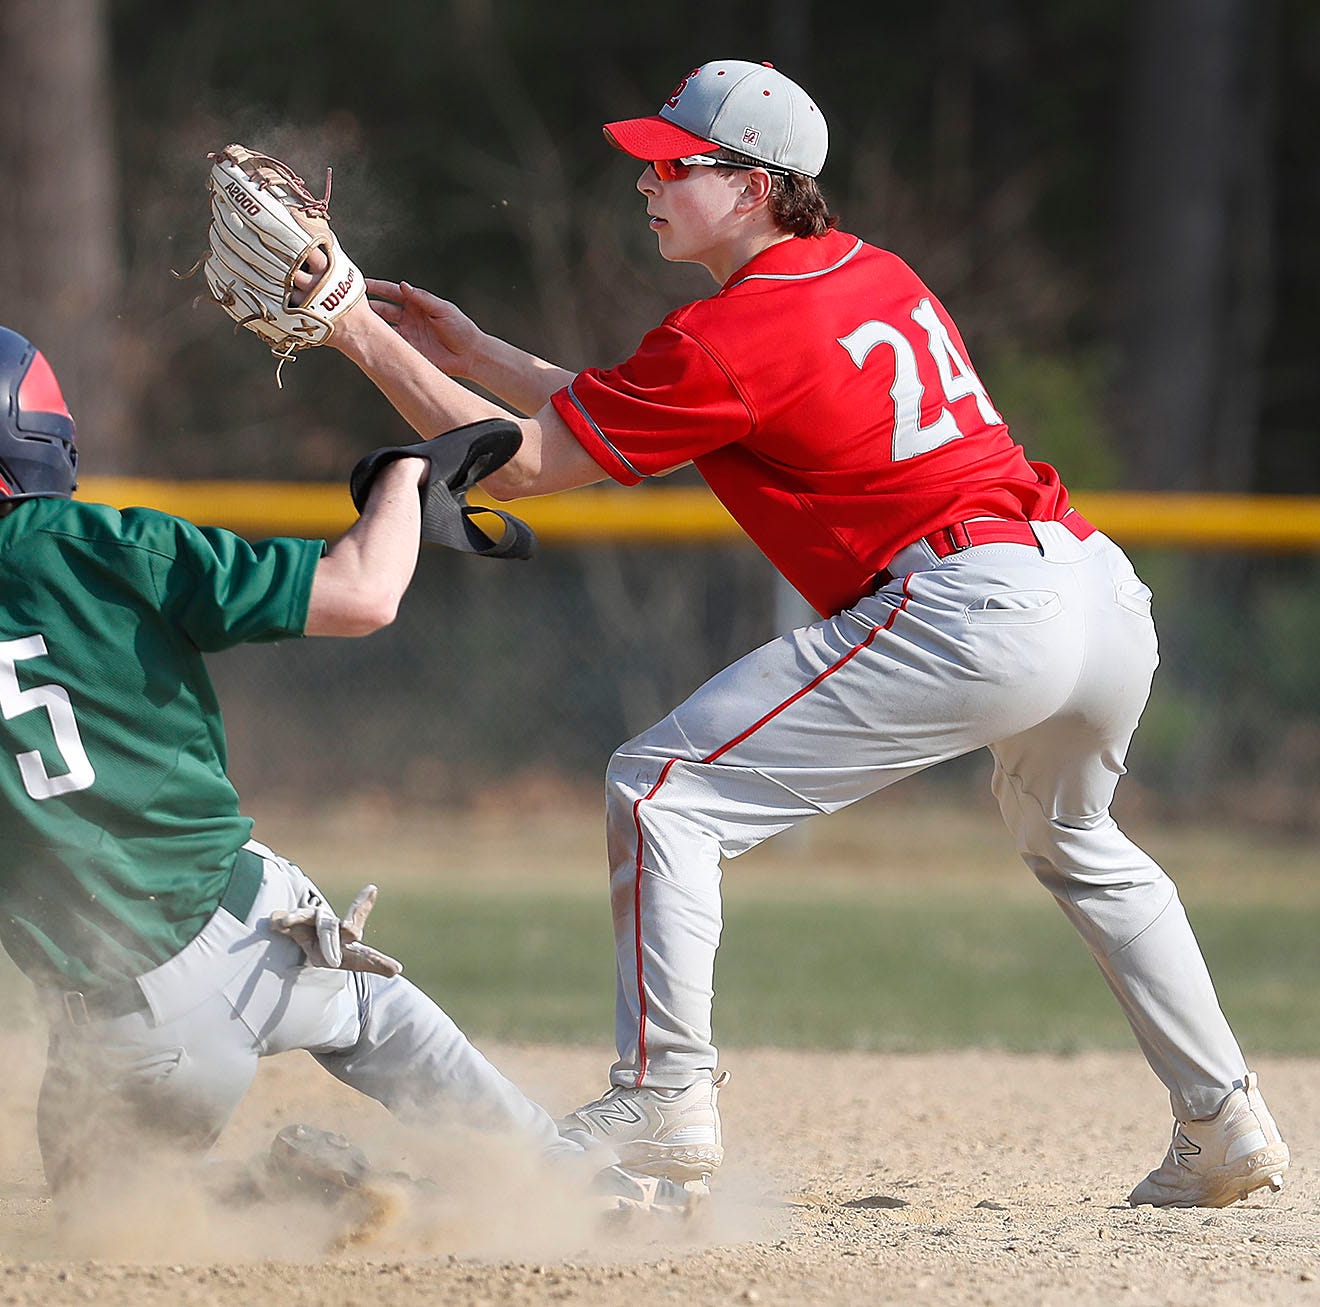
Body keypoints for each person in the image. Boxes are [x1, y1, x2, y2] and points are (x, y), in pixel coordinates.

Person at [319, 59, 1289, 1208]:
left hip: (973, 605)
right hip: (1090, 590)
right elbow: (660, 405)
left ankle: (664, 1092)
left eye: (673, 164)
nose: (646, 181)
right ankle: (1224, 1116)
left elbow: (527, 463)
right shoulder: (866, 271)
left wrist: (351, 331)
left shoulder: (733, 329)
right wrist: (476, 356)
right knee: (1081, 842)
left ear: (756, 188)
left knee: (662, 787)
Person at [0, 320, 693, 1216]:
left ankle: (290, 1200)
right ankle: (581, 1188)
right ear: (45, 432)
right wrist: (405, 475)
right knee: (373, 1015)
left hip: (133, 1035)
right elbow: (362, 594)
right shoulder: (114, 545)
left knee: (116, 1217)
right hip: (262, 933)